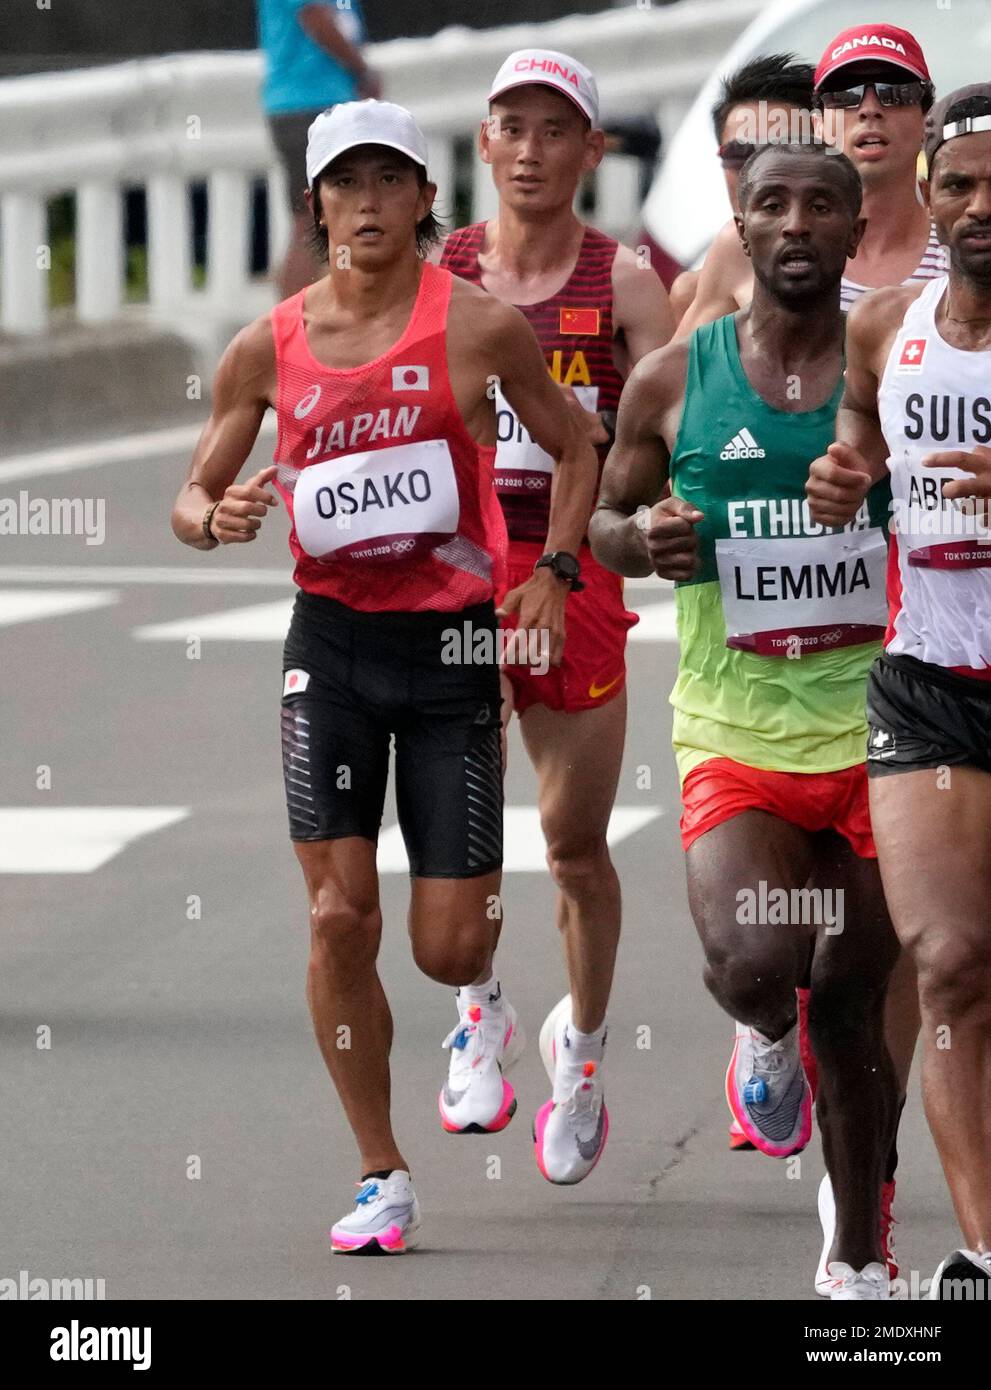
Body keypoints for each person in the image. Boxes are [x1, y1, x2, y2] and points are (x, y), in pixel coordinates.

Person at [170, 99, 599, 1253]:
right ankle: (381, 1171)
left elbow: (578, 445)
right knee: (336, 914)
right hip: (333, 649)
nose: (365, 203)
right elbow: (189, 497)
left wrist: (554, 572)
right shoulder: (267, 345)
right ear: (315, 204)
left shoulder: (478, 327)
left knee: (447, 945)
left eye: (387, 180)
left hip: (455, 647)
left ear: (424, 199)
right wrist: (221, 513)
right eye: (342, 183)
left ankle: (484, 1000)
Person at [591, 142, 902, 1299]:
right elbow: (609, 521)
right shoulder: (674, 378)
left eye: (820, 205)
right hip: (735, 726)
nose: (794, 225)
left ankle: (859, 1263)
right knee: (758, 958)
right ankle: (757, 1030)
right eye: (770, 204)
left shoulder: (891, 359)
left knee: (858, 1004)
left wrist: (877, 490)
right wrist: (644, 541)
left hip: (882, 723)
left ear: (853, 225)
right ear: (742, 220)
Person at [438, 48, 674, 1184]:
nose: (530, 150)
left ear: (590, 149)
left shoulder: (625, 284)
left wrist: (635, 529)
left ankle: (576, 1052)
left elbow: (662, 438)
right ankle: (477, 1009)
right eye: (511, 127)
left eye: (554, 130)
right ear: (483, 143)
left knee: (574, 845)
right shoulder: (435, 273)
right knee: (464, 817)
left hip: (574, 570)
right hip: (457, 574)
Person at [806, 84, 991, 1299]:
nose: (983, 208)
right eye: (962, 184)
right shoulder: (882, 325)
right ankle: (982, 1246)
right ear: (925, 195)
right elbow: (860, 441)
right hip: (924, 683)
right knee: (950, 962)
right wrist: (842, 477)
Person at [679, 26, 945, 334]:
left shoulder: (965, 237)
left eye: (895, 93)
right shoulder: (747, 240)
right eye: (845, 95)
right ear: (818, 125)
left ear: (928, 121)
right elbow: (671, 374)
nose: (870, 110)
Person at [672, 53, 815, 334]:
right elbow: (663, 376)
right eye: (739, 155)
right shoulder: (691, 292)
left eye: (781, 152)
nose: (759, 173)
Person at [258, 0, 382, 297]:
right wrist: (362, 70)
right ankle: (290, 328)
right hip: (309, 107)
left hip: (304, 107)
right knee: (312, 223)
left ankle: (311, 321)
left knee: (323, 222)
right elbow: (315, 17)